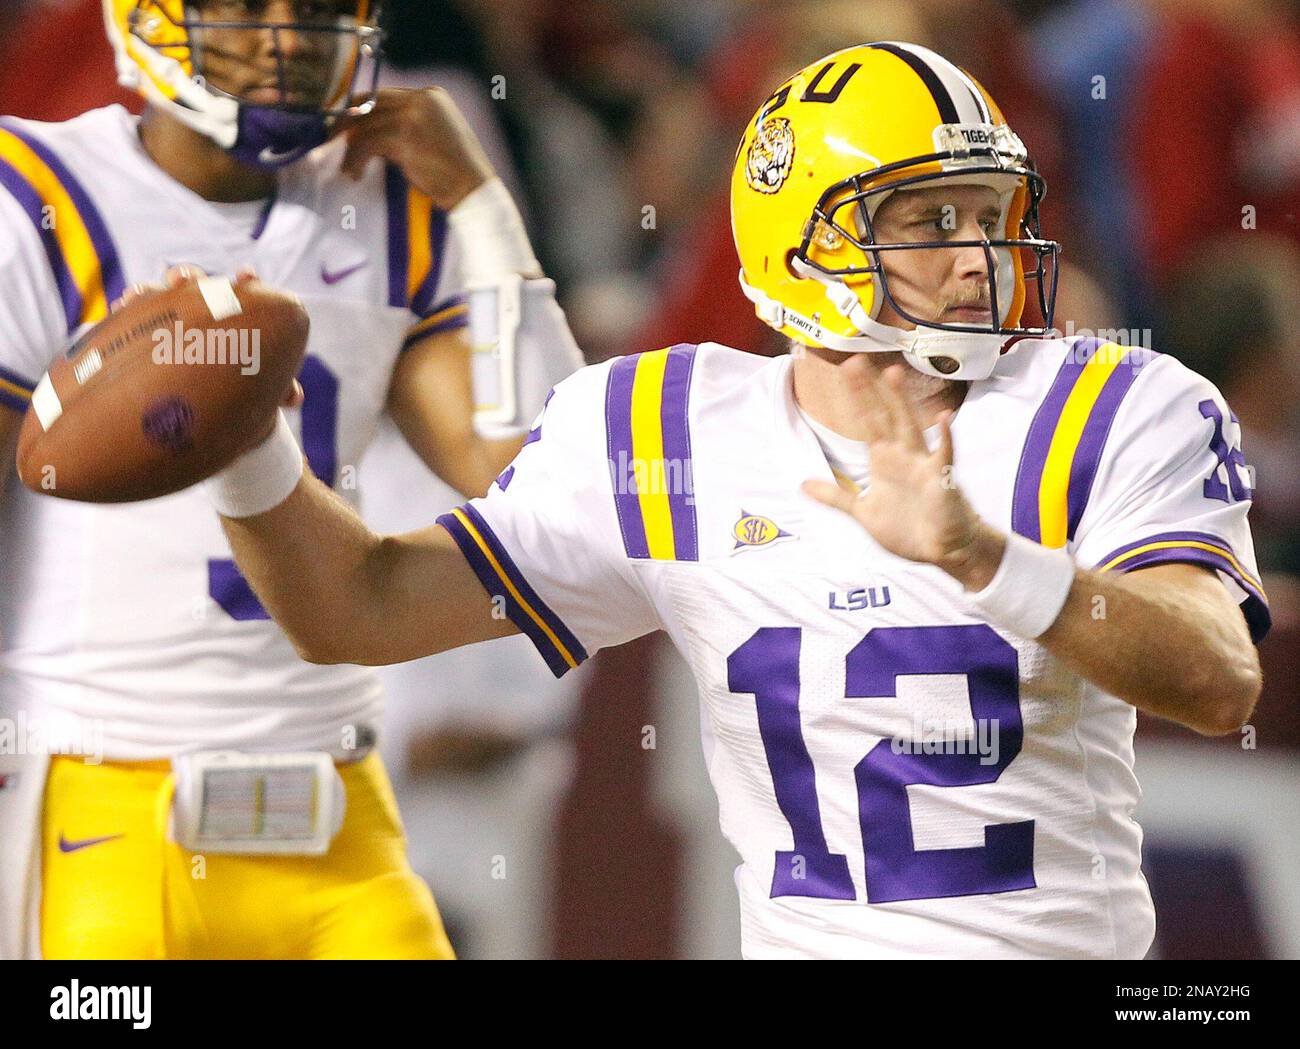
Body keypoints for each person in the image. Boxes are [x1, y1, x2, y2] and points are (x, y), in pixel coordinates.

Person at [203, 41, 1266, 959]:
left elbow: (1218, 680)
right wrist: (244, 446)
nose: (980, 257)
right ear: (805, 241)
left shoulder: (1110, 406)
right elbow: (359, 607)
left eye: (994, 214)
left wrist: (984, 556)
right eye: (936, 216)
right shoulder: (665, 429)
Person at [0, 0, 580, 959]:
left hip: (336, 811)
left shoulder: (383, 198)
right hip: (106, 799)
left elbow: (542, 477)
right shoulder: (39, 196)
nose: (286, 38)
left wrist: (483, 211)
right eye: (241, 5)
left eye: (314, 10)